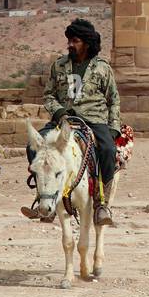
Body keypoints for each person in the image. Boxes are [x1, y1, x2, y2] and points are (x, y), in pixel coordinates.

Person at [21, 18, 122, 226]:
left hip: (94, 120)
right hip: (63, 120)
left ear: (86, 43)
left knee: (108, 151)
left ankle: (101, 204)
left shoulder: (103, 68)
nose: (70, 45)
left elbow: (114, 100)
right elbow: (48, 95)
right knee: (33, 148)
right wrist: (59, 113)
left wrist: (112, 129)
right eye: (69, 41)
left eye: (75, 41)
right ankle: (43, 198)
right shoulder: (58, 66)